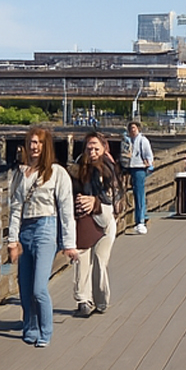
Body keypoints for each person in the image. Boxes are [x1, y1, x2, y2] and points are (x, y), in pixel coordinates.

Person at [5, 125, 77, 347]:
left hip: (46, 226)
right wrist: (12, 240)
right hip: (25, 228)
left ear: (45, 146)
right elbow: (15, 208)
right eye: (31, 142)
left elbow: (66, 209)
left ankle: (46, 330)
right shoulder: (20, 173)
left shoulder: (57, 173)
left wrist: (69, 243)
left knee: (39, 288)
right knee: (25, 287)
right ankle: (30, 326)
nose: (34, 146)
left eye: (38, 143)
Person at [71, 132, 120, 317]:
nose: (92, 151)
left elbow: (114, 195)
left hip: (104, 219)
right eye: (89, 148)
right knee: (82, 257)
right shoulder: (78, 168)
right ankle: (83, 300)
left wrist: (95, 201)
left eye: (96, 148)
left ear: (103, 148)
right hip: (84, 218)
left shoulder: (109, 168)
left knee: (100, 260)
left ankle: (101, 301)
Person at [124, 120, 154, 234]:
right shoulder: (127, 140)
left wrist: (149, 165)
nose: (132, 130)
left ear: (138, 129)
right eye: (130, 128)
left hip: (139, 167)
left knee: (139, 193)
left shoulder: (143, 140)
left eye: (134, 128)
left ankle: (140, 221)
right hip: (128, 167)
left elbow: (148, 154)